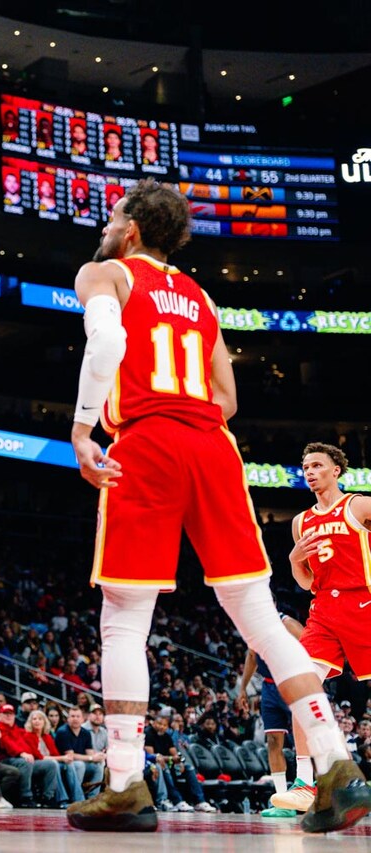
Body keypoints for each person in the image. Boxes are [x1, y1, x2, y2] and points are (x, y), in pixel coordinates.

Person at [64, 179, 371, 833]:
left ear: (133, 230)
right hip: (213, 447)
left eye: (115, 216)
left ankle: (123, 783)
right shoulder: (199, 298)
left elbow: (107, 345)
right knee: (258, 615)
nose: (108, 225)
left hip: (147, 442)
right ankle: (339, 764)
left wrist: (85, 427)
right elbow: (228, 397)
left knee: (124, 618)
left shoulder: (106, 273)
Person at [272, 442, 371, 817]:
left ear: (336, 471)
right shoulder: (301, 521)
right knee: (301, 683)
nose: (309, 471)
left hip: (363, 603)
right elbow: (304, 581)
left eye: (317, 465)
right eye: (305, 466)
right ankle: (304, 782)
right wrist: (295, 560)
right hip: (324, 608)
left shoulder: (358, 505)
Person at [238, 612, 306, 816]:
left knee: (304, 741)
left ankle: (316, 794)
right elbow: (251, 656)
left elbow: (312, 646)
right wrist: (243, 688)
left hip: (291, 682)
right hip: (269, 687)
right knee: (274, 742)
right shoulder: (253, 627)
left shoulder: (288, 624)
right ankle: (283, 803)